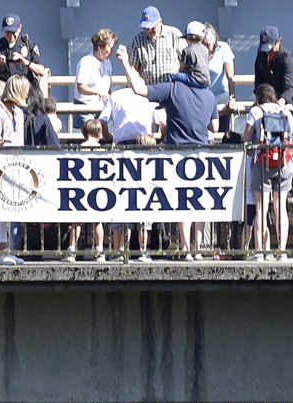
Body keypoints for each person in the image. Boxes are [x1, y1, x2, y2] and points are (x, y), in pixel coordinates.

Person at [118, 43, 217, 260]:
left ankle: (185, 248)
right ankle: (198, 249)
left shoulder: (173, 87)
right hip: (202, 154)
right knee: (199, 203)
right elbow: (215, 127)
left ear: (187, 63)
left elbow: (140, 90)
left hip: (177, 155)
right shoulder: (209, 95)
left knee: (184, 203)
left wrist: (125, 62)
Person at [99, 87, 162, 261]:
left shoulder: (116, 96)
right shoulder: (149, 95)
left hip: (121, 150)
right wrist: (159, 142)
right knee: (143, 200)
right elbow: (164, 124)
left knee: (121, 200)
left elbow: (102, 121)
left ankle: (119, 250)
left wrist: (109, 137)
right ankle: (142, 251)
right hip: (144, 150)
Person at [244, 84, 293, 261]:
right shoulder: (285, 112)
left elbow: (246, 139)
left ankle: (260, 251)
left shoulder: (255, 111)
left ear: (258, 97)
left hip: (263, 162)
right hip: (284, 163)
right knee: (280, 207)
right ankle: (281, 251)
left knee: (261, 208)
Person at [0, 74, 29, 265]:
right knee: (1, 210)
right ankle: (0, 252)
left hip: (17, 165)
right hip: (1, 164)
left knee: (11, 210)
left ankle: (8, 249)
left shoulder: (18, 112)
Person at [65, 118, 106, 263]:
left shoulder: (79, 148)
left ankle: (72, 250)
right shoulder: (102, 149)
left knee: (77, 222)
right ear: (99, 132)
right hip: (97, 188)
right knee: (97, 222)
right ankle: (100, 251)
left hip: (81, 188)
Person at [0, 14, 47, 87]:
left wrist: (25, 62)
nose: (11, 36)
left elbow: (42, 71)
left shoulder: (29, 45)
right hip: (4, 92)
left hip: (24, 91)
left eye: (13, 32)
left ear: (20, 28)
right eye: (8, 32)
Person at [126, 6, 184, 86]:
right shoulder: (137, 40)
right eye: (146, 28)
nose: (149, 30)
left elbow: (186, 62)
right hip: (149, 91)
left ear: (160, 21)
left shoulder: (174, 34)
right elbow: (133, 67)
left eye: (152, 27)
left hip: (172, 89)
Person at [75, 29, 117, 116]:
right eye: (110, 48)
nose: (112, 51)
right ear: (100, 47)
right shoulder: (86, 62)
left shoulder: (108, 62)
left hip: (102, 106)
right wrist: (98, 92)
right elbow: (80, 88)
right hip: (85, 108)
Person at [204, 24, 236, 133]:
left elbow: (230, 75)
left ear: (214, 40)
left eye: (207, 44)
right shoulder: (199, 51)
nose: (205, 47)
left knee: (223, 131)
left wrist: (232, 97)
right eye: (203, 44)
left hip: (220, 96)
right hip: (203, 98)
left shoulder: (223, 48)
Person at [254, 26, 293, 104]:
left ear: (278, 42)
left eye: (270, 48)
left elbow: (289, 87)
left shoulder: (287, 59)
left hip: (285, 103)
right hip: (266, 100)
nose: (267, 52)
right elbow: (258, 79)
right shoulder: (261, 54)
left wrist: (280, 102)